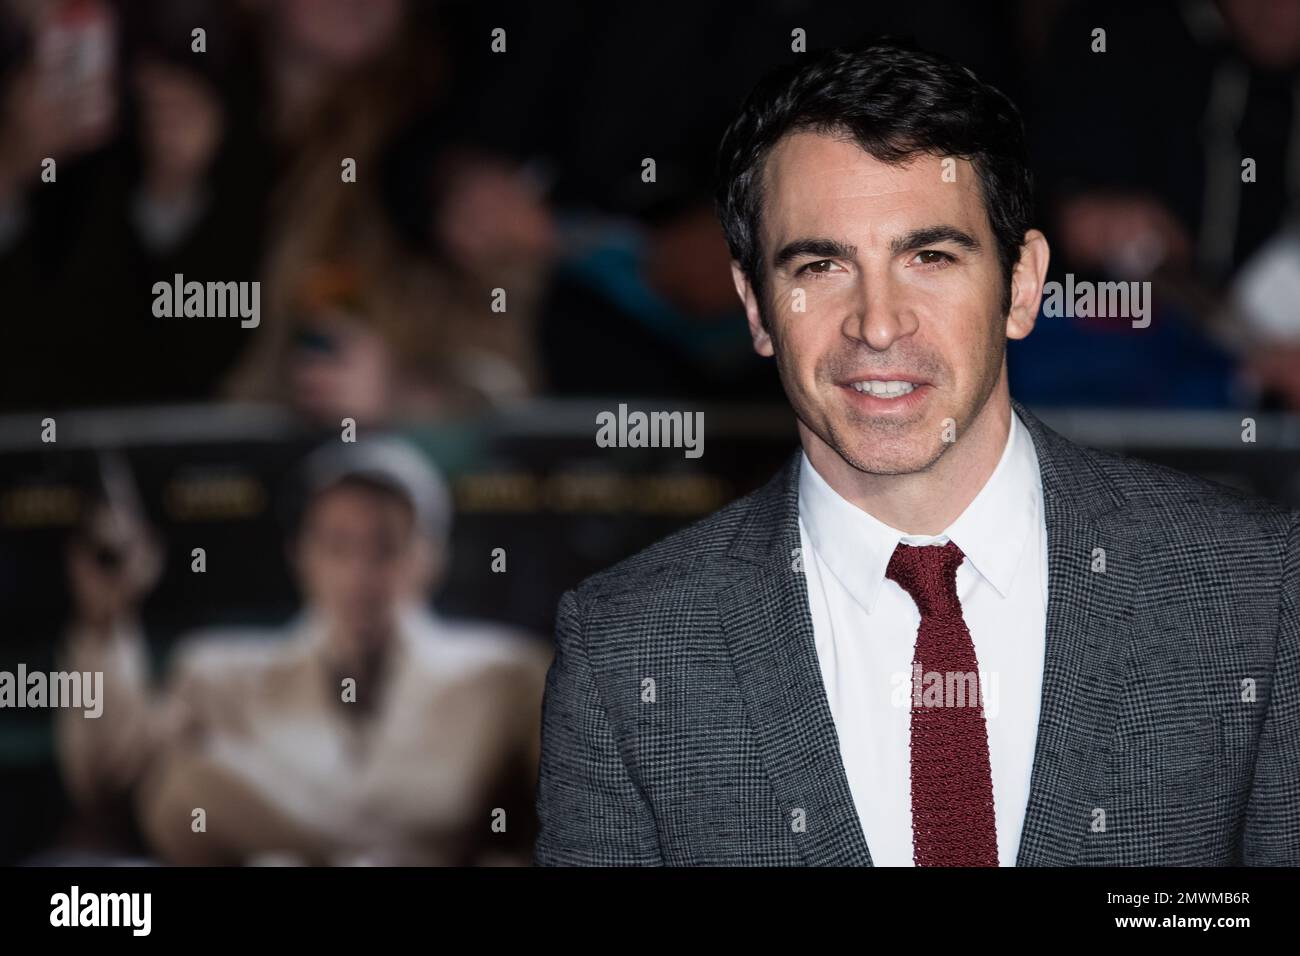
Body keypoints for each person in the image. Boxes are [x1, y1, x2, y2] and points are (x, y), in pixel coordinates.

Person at [534, 39, 1300, 866]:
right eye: (821, 265)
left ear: (1021, 285)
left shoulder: (1254, 593)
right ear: (756, 308)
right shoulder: (626, 651)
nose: (879, 322)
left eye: (929, 257)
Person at [57, 437, 551, 865]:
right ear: (302, 556)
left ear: (432, 555)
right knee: (185, 788)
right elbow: (105, 780)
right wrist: (106, 620)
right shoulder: (219, 673)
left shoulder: (507, 674)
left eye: (386, 546)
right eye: (338, 546)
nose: (360, 573)